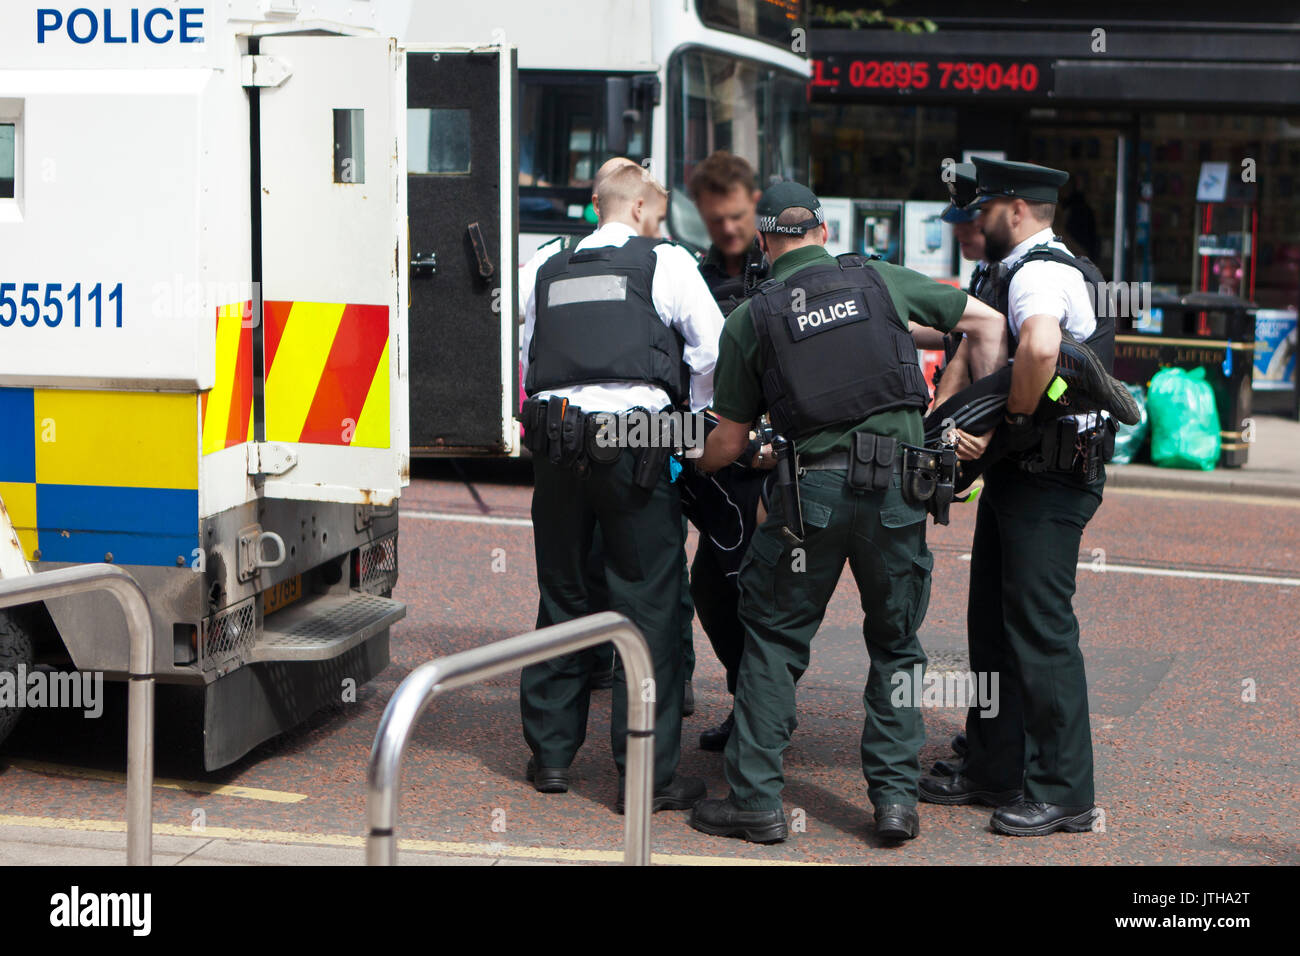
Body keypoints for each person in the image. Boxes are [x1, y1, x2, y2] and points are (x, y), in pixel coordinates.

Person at [686, 181, 1008, 844]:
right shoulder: (879, 279)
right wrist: (959, 419)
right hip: (899, 488)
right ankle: (893, 803)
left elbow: (727, 439)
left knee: (775, 642)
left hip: (812, 497)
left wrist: (698, 461)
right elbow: (987, 324)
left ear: (767, 241)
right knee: (895, 643)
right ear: (824, 233)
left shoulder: (753, 316)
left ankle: (756, 804)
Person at [518, 163, 723, 812]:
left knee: (562, 598)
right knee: (648, 611)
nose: (657, 224)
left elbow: (527, 354)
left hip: (556, 449)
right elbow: (712, 348)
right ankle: (645, 778)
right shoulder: (665, 262)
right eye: (655, 213)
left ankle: (550, 758)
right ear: (637, 208)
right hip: (634, 453)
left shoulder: (545, 263)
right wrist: (691, 427)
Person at [918, 157, 1114, 836]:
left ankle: (1066, 792)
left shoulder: (1042, 271)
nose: (975, 220)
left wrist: (1013, 423)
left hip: (1051, 474)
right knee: (993, 626)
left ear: (1018, 209)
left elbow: (1036, 350)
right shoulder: (1004, 270)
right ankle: (996, 767)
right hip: (1021, 472)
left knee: (1040, 629)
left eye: (984, 209)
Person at [681, 151, 775, 752]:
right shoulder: (696, 275)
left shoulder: (787, 267)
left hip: (775, 458)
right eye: (717, 221)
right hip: (719, 455)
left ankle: (765, 722)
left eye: (738, 217)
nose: (730, 231)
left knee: (760, 596)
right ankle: (752, 707)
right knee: (713, 590)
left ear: (756, 204)